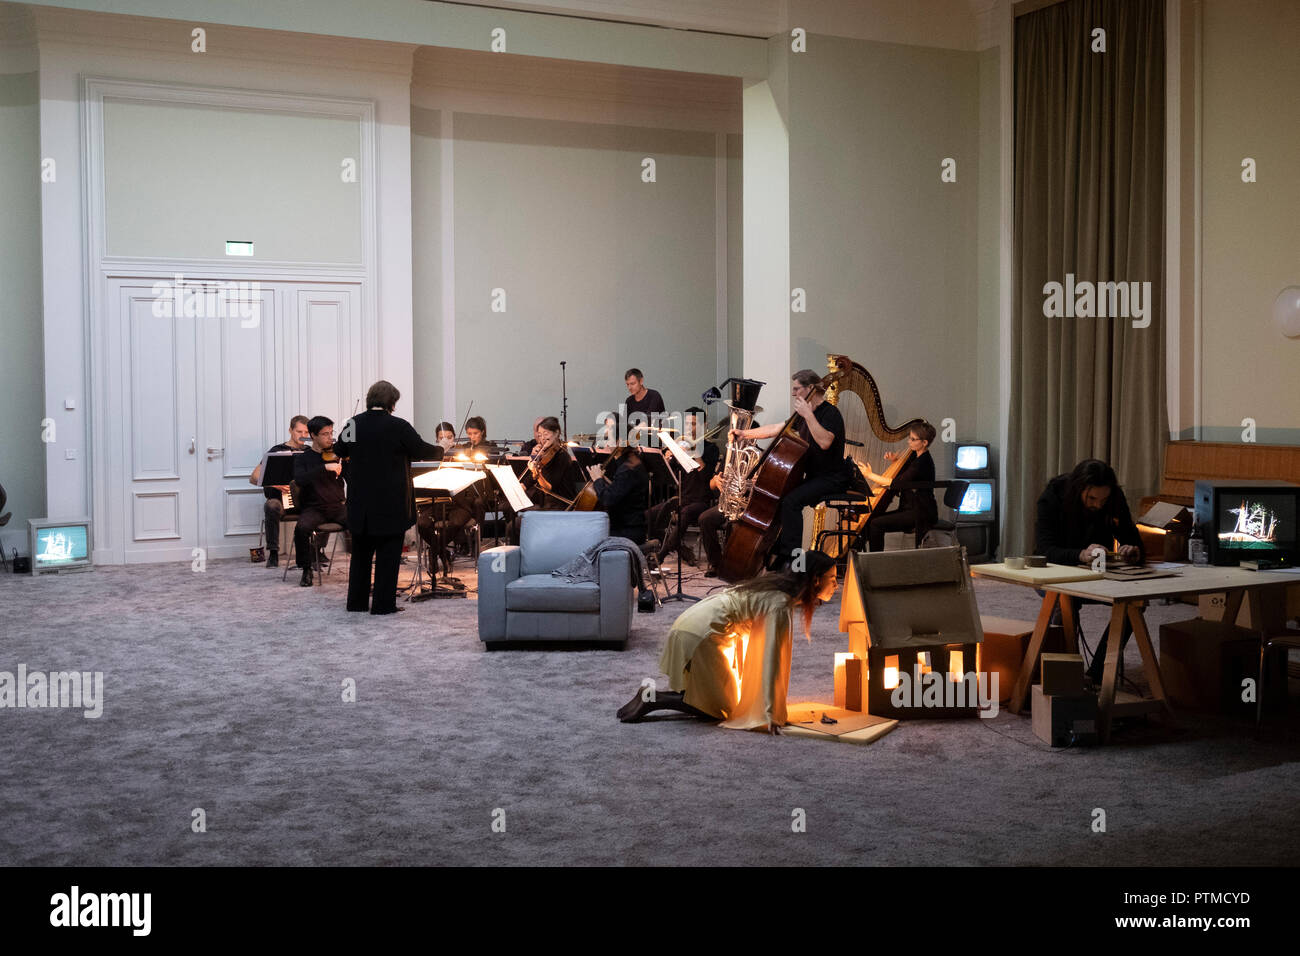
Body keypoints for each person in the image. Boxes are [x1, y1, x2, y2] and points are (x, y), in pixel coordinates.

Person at [617, 550, 839, 733]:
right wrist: (770, 713)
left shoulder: (776, 588)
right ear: (815, 579)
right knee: (720, 709)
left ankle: (653, 695)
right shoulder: (780, 603)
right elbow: (773, 659)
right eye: (833, 579)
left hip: (693, 623)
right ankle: (654, 698)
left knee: (711, 693)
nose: (837, 585)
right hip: (704, 634)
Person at [333, 380, 442, 614]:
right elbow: (422, 450)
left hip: (360, 502)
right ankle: (383, 604)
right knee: (388, 554)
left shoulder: (353, 423)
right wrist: (441, 447)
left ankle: (357, 603)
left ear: (370, 398)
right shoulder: (398, 426)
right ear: (392, 402)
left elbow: (339, 450)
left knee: (361, 555)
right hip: (390, 502)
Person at [729, 369, 852, 572]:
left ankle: (793, 561)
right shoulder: (803, 415)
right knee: (780, 499)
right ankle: (777, 551)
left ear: (810, 388)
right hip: (812, 476)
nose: (794, 394)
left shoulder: (831, 413)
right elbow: (777, 428)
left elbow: (825, 442)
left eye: (797, 389)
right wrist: (744, 433)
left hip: (832, 477)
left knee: (792, 502)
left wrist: (808, 414)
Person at [1035, 458, 1145, 683]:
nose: (1098, 505)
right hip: (1058, 571)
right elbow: (1045, 551)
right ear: (1078, 490)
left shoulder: (1113, 498)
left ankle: (1098, 673)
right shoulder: (1052, 497)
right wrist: (1081, 554)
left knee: (1135, 602)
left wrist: (1132, 550)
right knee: (1064, 604)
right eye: (1092, 498)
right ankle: (1065, 678)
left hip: (1099, 572)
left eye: (1103, 500)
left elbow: (1133, 539)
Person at [645, 407, 720, 565]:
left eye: (693, 424)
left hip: (701, 500)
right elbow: (665, 477)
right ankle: (682, 549)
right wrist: (666, 459)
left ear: (703, 425)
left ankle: (662, 554)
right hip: (681, 497)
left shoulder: (711, 449)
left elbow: (707, 478)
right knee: (648, 516)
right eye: (686, 424)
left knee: (686, 512)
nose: (689, 428)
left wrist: (696, 454)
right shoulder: (680, 445)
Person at [860, 420, 940, 551]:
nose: (909, 442)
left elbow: (896, 483)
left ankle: (875, 561)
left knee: (875, 524)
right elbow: (907, 475)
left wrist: (869, 474)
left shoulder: (922, 462)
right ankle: (868, 559)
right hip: (909, 509)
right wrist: (895, 461)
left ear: (924, 443)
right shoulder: (915, 457)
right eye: (909, 438)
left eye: (913, 439)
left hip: (921, 512)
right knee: (872, 520)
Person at [292, 416, 347, 587]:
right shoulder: (303, 458)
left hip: (337, 506)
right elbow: (299, 479)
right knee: (301, 528)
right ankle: (306, 569)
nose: (330, 438)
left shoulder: (338, 455)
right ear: (313, 435)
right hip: (314, 508)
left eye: (331, 433)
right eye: (325, 434)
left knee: (361, 522)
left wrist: (350, 465)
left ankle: (361, 566)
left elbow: (354, 479)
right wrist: (324, 468)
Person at [249, 414, 309, 568]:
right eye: (299, 432)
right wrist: (275, 485)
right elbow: (254, 477)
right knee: (271, 506)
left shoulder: (310, 452)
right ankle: (274, 553)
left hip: (302, 500)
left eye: (306, 433)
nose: (303, 436)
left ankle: (316, 551)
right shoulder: (277, 451)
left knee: (325, 504)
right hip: (280, 500)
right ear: (290, 430)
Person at [594, 446, 649, 544]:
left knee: (589, 538)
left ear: (619, 442)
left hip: (626, 532)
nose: (606, 444)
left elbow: (608, 499)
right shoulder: (633, 461)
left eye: (609, 439)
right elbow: (620, 490)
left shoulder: (627, 469)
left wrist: (597, 480)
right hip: (631, 527)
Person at [622, 368, 665, 445]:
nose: (629, 388)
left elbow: (648, 420)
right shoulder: (629, 401)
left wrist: (635, 430)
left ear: (641, 381)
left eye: (632, 384)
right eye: (627, 384)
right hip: (636, 443)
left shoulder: (654, 396)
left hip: (654, 442)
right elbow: (626, 425)